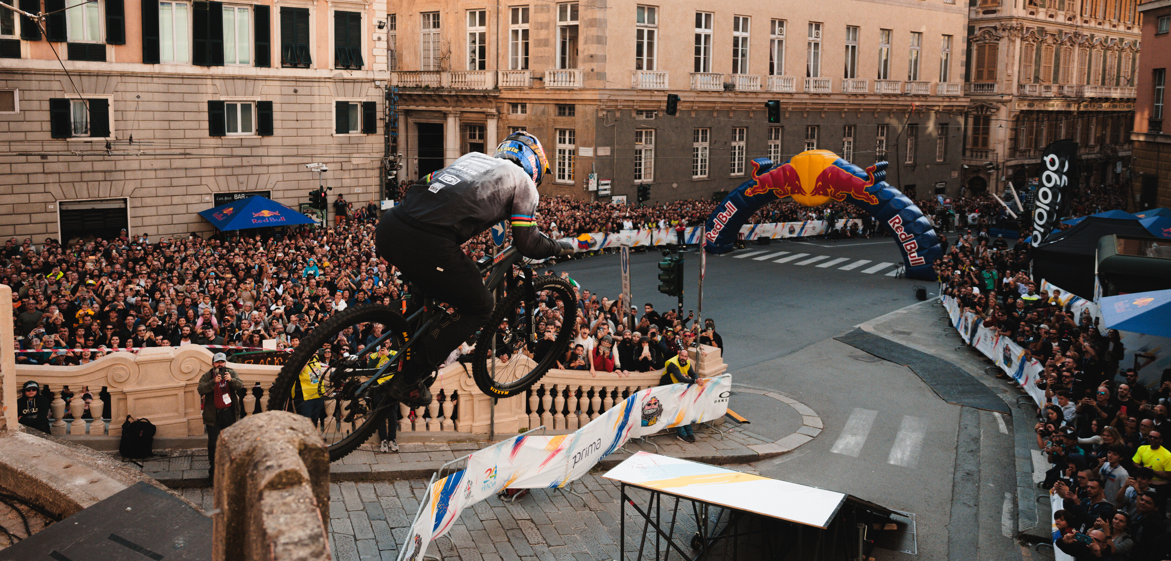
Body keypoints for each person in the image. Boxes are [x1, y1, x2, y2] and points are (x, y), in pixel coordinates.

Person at [374, 131, 574, 407]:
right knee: (480, 307)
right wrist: (558, 245)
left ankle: (408, 345)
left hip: (390, 225)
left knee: (431, 289)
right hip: (429, 241)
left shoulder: (473, 158)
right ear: (534, 164)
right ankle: (408, 380)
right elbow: (527, 243)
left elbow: (431, 185)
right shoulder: (524, 182)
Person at [198, 352, 243, 482]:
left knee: (231, 443)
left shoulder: (231, 373)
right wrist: (213, 382)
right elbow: (201, 389)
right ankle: (214, 473)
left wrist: (231, 380)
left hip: (229, 413)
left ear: (225, 363)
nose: (220, 364)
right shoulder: (207, 376)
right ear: (213, 364)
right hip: (214, 415)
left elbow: (240, 386)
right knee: (214, 444)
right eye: (217, 362)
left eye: (222, 362)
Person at [660, 349, 700, 443]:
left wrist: (697, 379)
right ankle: (682, 434)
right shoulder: (672, 363)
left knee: (684, 410)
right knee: (677, 412)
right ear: (679, 355)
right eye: (682, 356)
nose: (683, 358)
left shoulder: (688, 362)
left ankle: (689, 432)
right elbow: (680, 377)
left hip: (679, 390)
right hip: (668, 389)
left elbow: (693, 374)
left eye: (685, 357)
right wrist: (695, 381)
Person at [292, 350, 328, 429]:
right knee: (304, 423)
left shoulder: (316, 358)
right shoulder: (298, 357)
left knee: (314, 422)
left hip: (317, 395)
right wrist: (308, 356)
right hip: (304, 397)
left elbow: (318, 376)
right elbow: (297, 371)